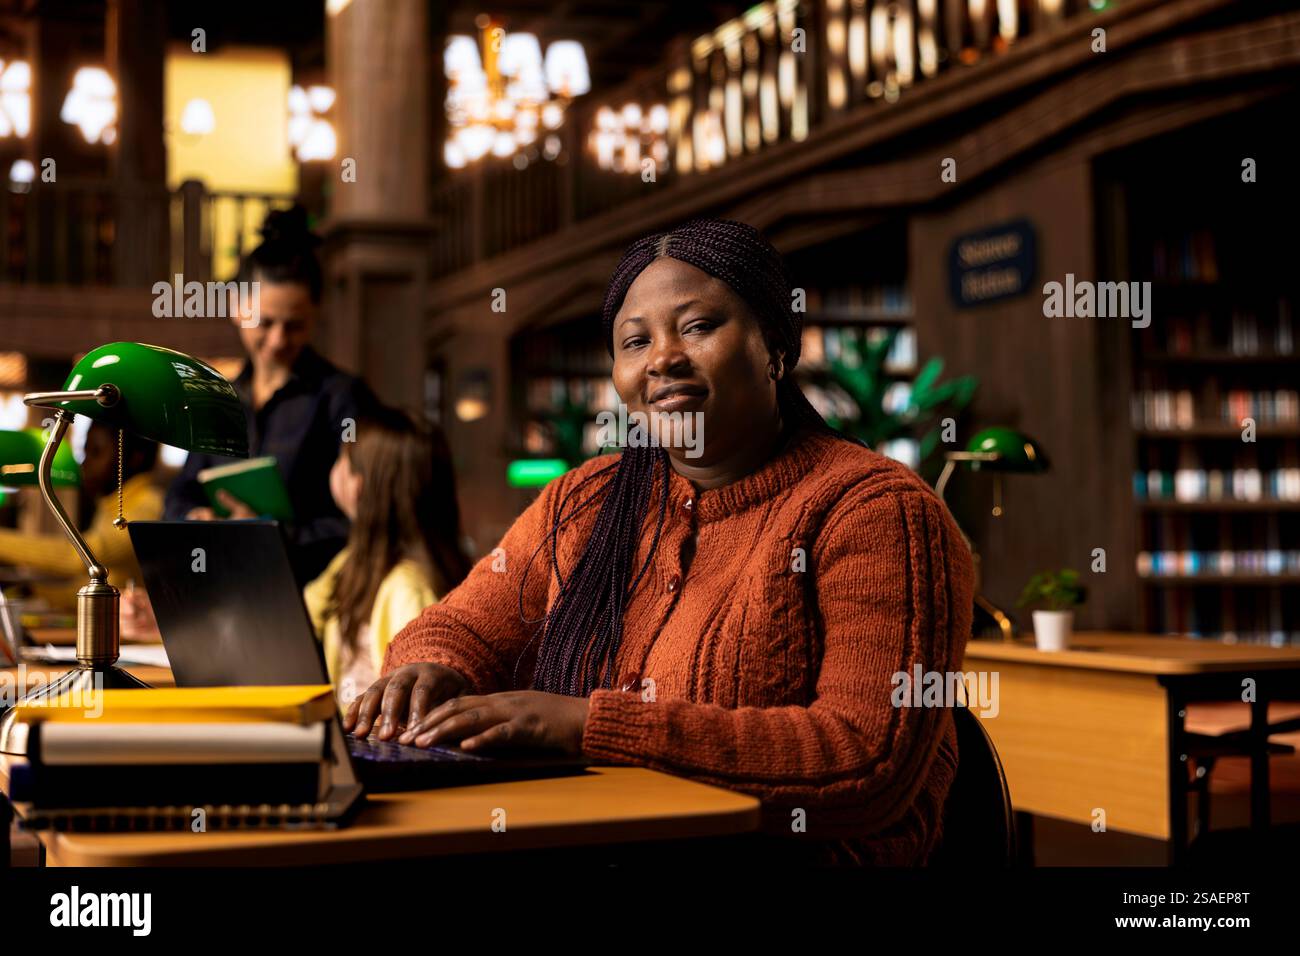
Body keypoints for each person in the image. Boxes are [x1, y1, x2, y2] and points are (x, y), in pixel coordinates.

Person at [343, 218, 974, 866]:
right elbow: (466, 624)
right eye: (634, 340)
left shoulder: (875, 510)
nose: (662, 358)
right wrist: (430, 669)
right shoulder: (584, 501)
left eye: (698, 327)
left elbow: (864, 759)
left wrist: (590, 727)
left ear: (776, 349)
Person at [164, 206, 378, 586]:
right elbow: (181, 492)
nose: (278, 341)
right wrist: (194, 517)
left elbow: (367, 516)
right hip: (228, 587)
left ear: (316, 313)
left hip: (309, 592)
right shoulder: (219, 398)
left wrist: (267, 532)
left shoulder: (341, 398)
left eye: (294, 326)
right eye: (264, 322)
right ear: (236, 308)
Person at [303, 407, 472, 707]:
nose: (336, 467)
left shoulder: (408, 590)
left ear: (359, 485)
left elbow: (418, 704)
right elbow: (302, 613)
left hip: (376, 749)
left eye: (345, 460)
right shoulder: (352, 562)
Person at [0, 421, 161, 588]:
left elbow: (80, 557)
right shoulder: (110, 505)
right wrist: (29, 590)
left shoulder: (150, 504)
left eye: (96, 452)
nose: (84, 464)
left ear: (135, 457)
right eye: (85, 451)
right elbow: (89, 589)